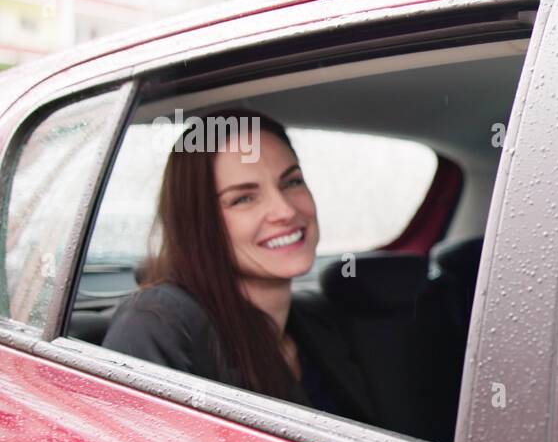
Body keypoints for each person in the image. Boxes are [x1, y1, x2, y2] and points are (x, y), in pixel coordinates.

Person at [103, 110, 375, 423]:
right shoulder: (155, 323)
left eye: (292, 182)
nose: (285, 210)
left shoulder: (316, 323)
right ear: (198, 223)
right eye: (243, 199)